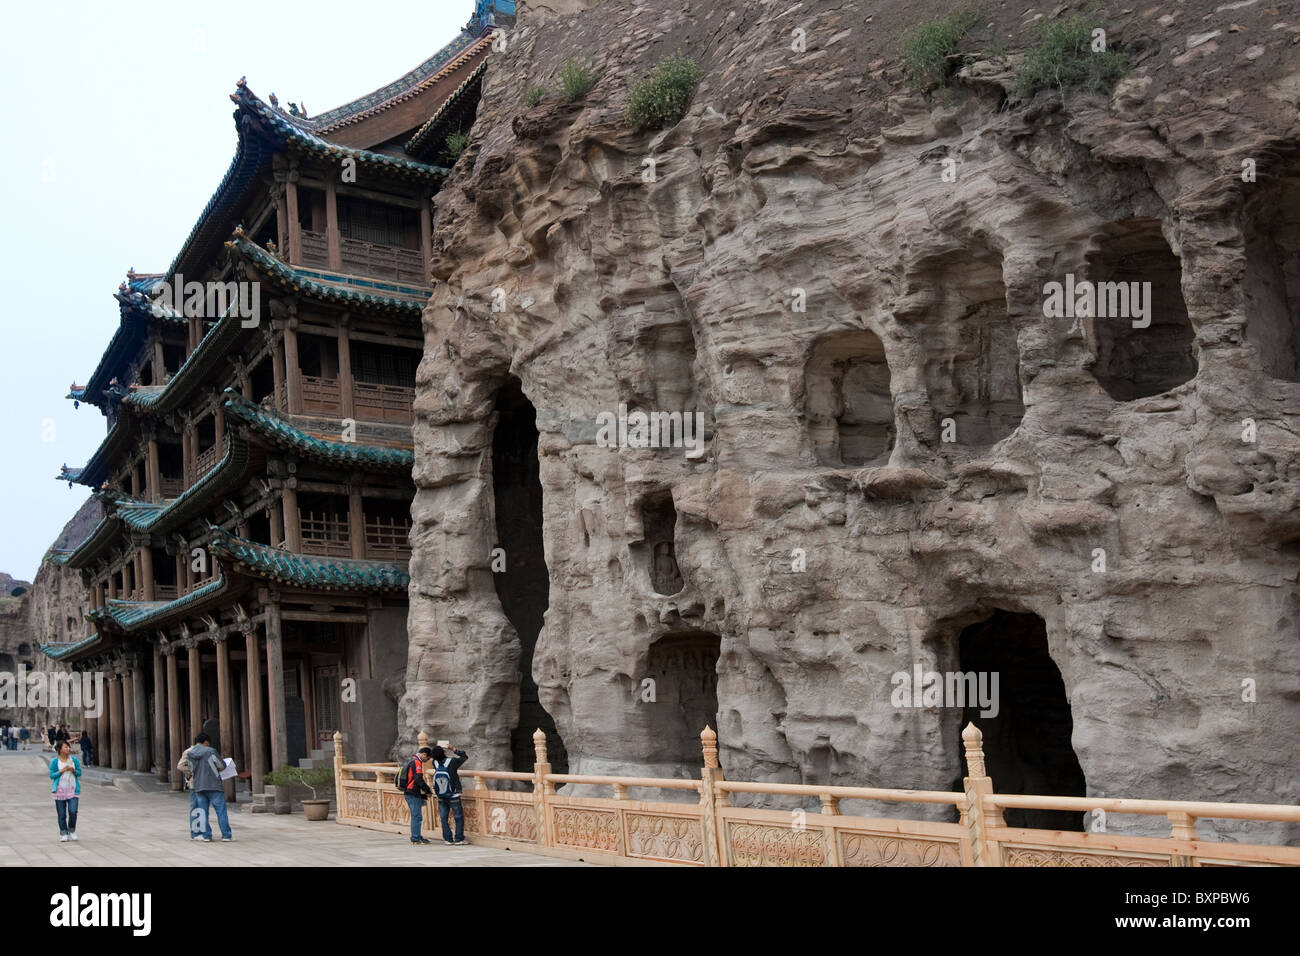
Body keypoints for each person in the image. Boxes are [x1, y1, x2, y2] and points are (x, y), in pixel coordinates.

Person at [185, 733, 233, 842]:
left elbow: (191, 769)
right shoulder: (210, 751)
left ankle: (206, 836)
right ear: (206, 741)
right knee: (221, 811)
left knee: (202, 811)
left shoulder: (190, 753)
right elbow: (221, 765)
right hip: (213, 785)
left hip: (199, 786)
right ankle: (226, 835)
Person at [429, 744, 469, 846]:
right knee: (458, 817)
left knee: (443, 818)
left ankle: (448, 839)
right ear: (444, 752)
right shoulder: (452, 762)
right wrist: (453, 749)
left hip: (441, 795)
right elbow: (464, 757)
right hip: (453, 794)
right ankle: (459, 839)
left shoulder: (435, 763)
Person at [397, 746, 435, 845]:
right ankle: (415, 838)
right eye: (427, 758)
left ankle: (417, 835)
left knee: (416, 816)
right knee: (416, 816)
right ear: (424, 755)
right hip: (412, 792)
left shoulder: (410, 760)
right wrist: (427, 790)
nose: (427, 761)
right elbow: (418, 779)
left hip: (408, 791)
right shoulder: (417, 762)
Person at [49, 740, 83, 842]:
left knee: (73, 811)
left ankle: (72, 830)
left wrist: (73, 771)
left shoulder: (74, 760)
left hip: (72, 789)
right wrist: (61, 770)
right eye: (65, 747)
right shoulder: (55, 762)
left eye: (68, 747)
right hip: (59, 790)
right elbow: (51, 775)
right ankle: (63, 832)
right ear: (59, 749)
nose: (68, 749)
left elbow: (79, 773)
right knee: (61, 814)